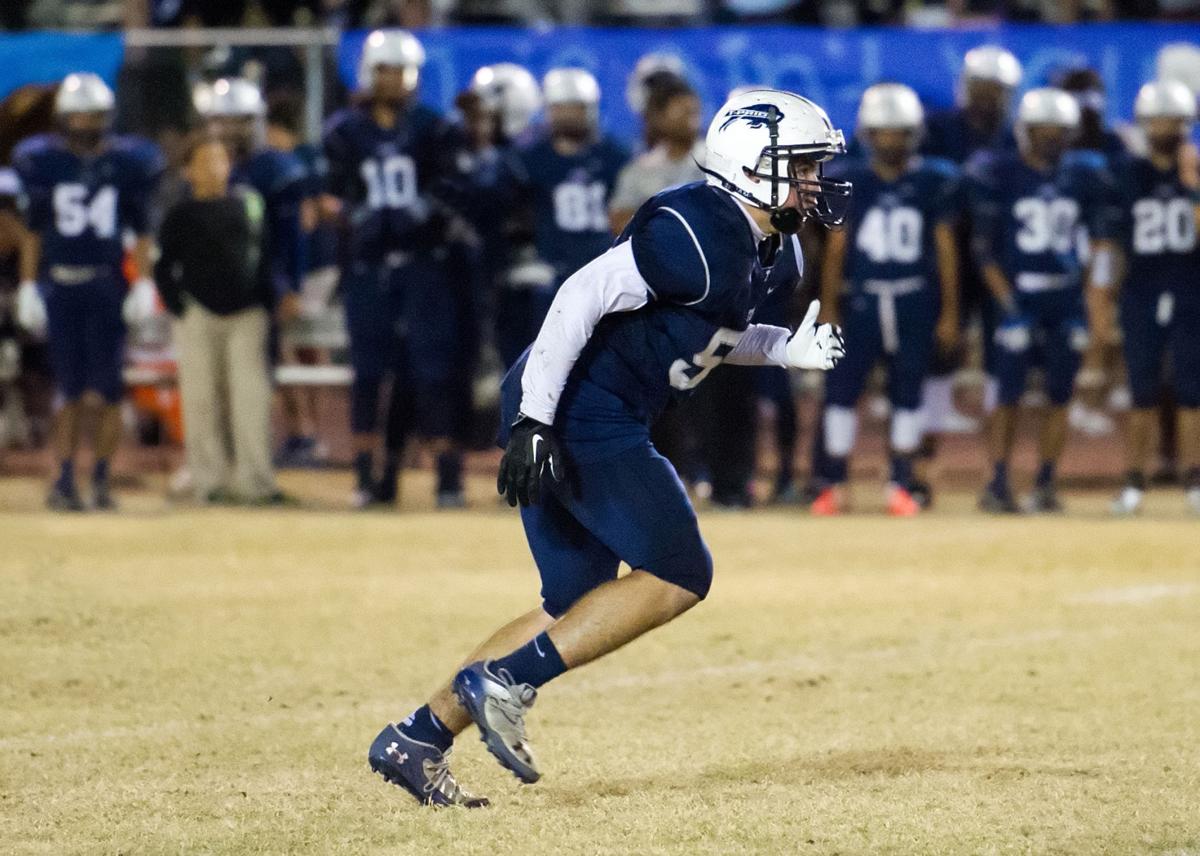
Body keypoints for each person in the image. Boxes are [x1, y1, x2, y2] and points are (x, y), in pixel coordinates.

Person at [367, 88, 850, 806]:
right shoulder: (694, 229)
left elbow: (713, 334)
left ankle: (419, 735)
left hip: (589, 407)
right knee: (680, 571)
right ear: (753, 164)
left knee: (573, 605)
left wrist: (781, 348)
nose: (815, 181)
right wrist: (535, 421)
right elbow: (580, 295)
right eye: (802, 166)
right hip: (578, 407)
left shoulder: (771, 250)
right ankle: (507, 680)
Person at [323, 29, 473, 508]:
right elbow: (330, 195)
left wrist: (424, 211)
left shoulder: (435, 127)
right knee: (368, 373)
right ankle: (367, 478)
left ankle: (447, 478)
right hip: (368, 266)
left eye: (399, 71)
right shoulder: (344, 132)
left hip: (424, 264)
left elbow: (454, 187)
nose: (391, 80)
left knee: (433, 372)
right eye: (384, 70)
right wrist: (355, 215)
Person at [12, 73, 163, 511]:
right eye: (78, 115)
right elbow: (34, 232)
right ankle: (63, 480)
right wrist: (28, 284)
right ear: (63, 118)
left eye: (94, 115)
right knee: (68, 391)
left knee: (108, 391)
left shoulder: (127, 163)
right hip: (60, 283)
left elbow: (142, 230)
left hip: (106, 282)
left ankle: (100, 479)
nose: (86, 124)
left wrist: (143, 281)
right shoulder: (42, 162)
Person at [809, 84, 961, 516]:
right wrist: (829, 307)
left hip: (913, 296)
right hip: (863, 299)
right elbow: (836, 247)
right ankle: (835, 483)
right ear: (869, 134)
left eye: (900, 133)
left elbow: (945, 247)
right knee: (841, 391)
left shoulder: (934, 179)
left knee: (908, 392)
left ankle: (900, 482)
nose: (892, 141)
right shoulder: (848, 178)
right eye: (884, 132)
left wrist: (949, 311)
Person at [970, 88, 1117, 513]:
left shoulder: (1084, 175)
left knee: (1060, 394)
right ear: (1026, 131)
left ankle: (1046, 481)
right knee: (1007, 394)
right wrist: (1009, 304)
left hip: (1065, 297)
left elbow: (1099, 245)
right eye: (1043, 130)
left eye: (1059, 131)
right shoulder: (1002, 174)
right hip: (1020, 296)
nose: (1051, 138)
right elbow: (985, 251)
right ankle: (998, 480)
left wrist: (1092, 300)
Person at [156, 135, 282, 505]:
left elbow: (266, 253)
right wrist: (180, 307)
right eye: (205, 161)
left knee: (250, 399)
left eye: (221, 159)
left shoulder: (250, 204)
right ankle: (208, 481)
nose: (214, 168)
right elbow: (165, 266)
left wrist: (267, 299)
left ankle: (255, 482)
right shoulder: (180, 214)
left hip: (247, 314)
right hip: (198, 313)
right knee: (200, 399)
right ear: (188, 171)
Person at [1108, 81, 1200, 516]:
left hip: (1190, 289)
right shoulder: (1128, 174)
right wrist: (1103, 300)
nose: (1166, 129)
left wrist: (1193, 185)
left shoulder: (1195, 171)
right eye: (1158, 121)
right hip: (1141, 291)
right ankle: (1133, 482)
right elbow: (1112, 245)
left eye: (1173, 121)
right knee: (1141, 390)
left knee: (1192, 392)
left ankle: (1194, 480)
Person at [498, 69, 628, 367]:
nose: (568, 116)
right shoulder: (531, 158)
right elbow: (512, 210)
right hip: (553, 268)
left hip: (603, 267)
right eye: (561, 107)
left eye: (576, 107)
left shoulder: (614, 156)